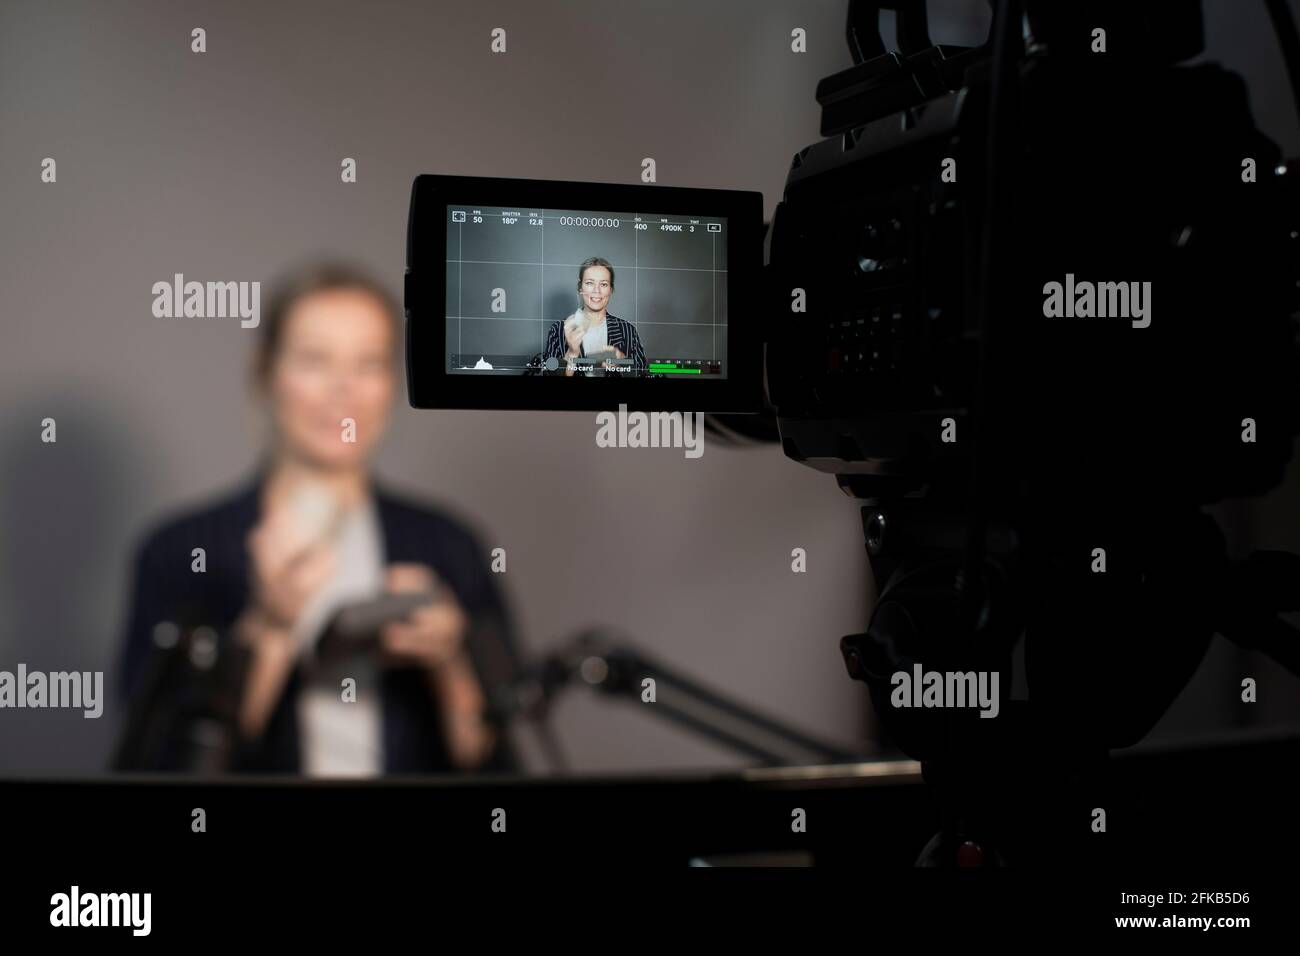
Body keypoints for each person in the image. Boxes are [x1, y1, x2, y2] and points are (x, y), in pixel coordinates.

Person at [116, 263, 520, 775]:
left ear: (392, 384)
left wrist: (449, 661)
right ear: (266, 373)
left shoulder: (447, 544)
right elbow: (163, 767)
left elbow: (497, 755)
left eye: (368, 363)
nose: (343, 388)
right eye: (314, 360)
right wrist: (270, 627)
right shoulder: (180, 551)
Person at [542, 257, 647, 375]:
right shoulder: (558, 330)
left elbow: (643, 373)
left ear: (611, 289)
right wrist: (572, 353)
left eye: (603, 284)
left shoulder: (628, 330)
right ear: (580, 287)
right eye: (589, 283)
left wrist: (623, 362)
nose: (597, 291)